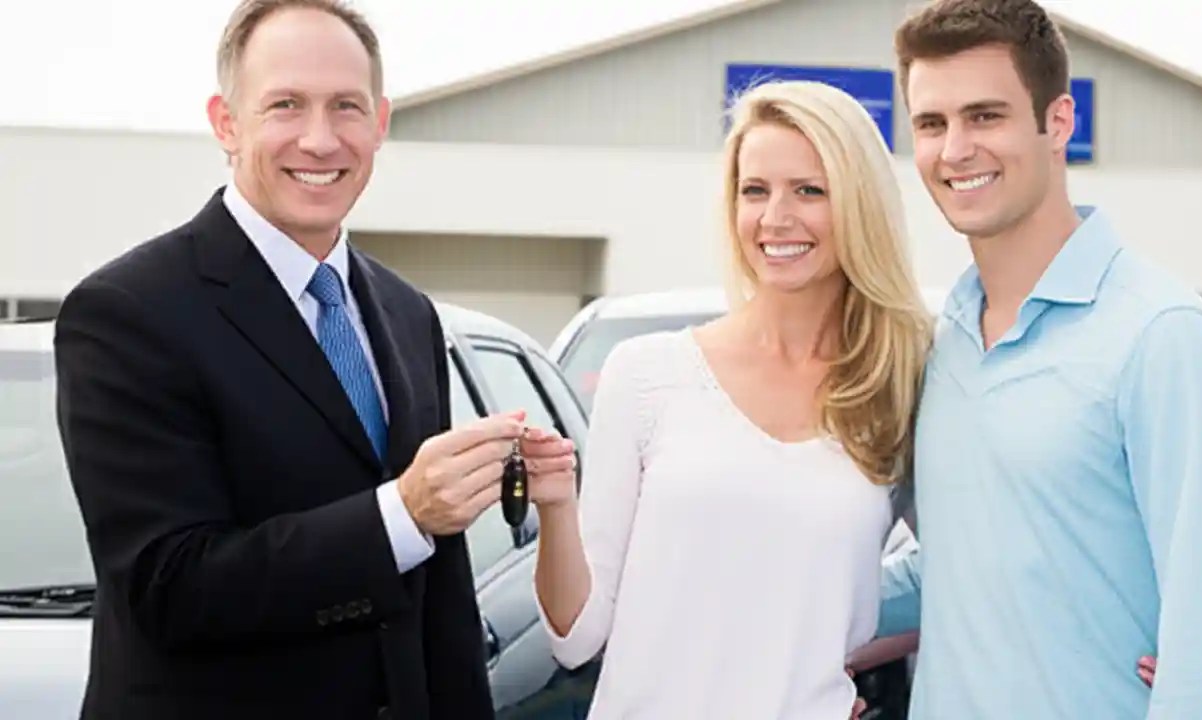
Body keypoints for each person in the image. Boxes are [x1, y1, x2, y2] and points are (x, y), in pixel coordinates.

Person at [52, 1, 574, 718]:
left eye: (346, 107)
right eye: (286, 105)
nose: (320, 139)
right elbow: (169, 585)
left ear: (380, 123)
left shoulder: (407, 312)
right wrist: (400, 515)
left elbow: (441, 596)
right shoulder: (128, 313)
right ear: (226, 122)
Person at [865, 0, 1202, 717]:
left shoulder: (1164, 337)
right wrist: (773, 604)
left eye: (985, 116)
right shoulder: (946, 343)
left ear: (1058, 121)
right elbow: (959, 572)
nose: (955, 150)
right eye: (931, 123)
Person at [519, 79, 934, 718]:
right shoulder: (646, 374)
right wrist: (554, 507)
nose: (775, 218)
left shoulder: (901, 386)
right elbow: (576, 637)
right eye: (755, 190)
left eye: (809, 190)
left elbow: (969, 576)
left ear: (860, 204)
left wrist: (829, 654)